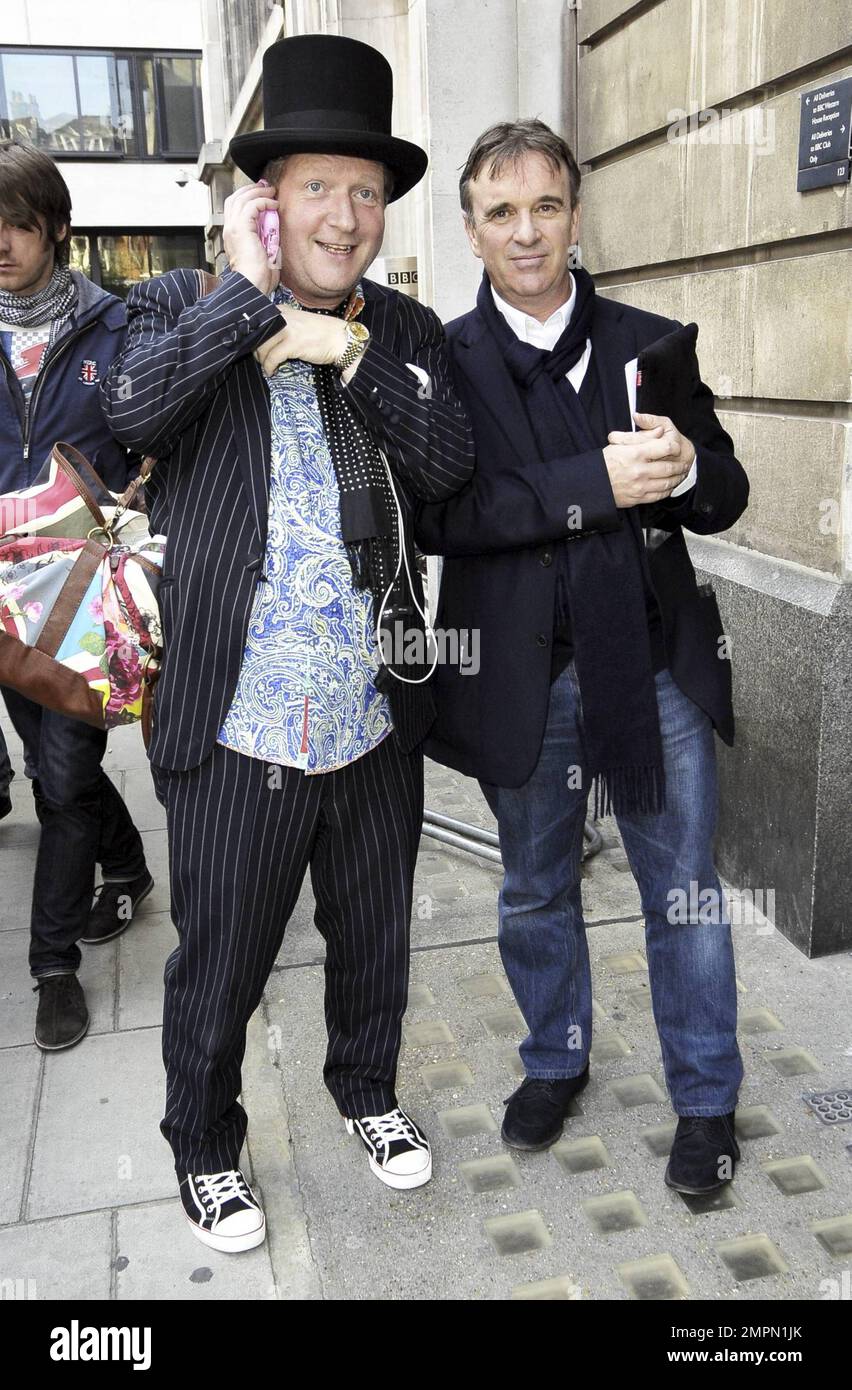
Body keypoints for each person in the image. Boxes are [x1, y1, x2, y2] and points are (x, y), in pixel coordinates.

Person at [103, 35, 473, 1253]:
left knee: (375, 939)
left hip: (371, 714)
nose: (348, 214)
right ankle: (205, 1143)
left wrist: (348, 353)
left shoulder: (406, 328)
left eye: (366, 192)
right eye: (320, 186)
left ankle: (364, 1089)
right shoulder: (180, 303)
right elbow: (125, 417)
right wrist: (252, 307)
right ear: (269, 201)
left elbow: (448, 467)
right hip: (235, 718)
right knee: (220, 965)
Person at [415, 119, 749, 1196]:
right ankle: (555, 1058)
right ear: (470, 229)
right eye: (501, 211)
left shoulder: (653, 343)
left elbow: (728, 496)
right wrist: (595, 486)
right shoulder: (444, 363)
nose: (526, 231)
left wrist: (690, 461)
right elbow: (445, 515)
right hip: (521, 677)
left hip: (649, 667)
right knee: (532, 891)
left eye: (545, 206)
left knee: (684, 893)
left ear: (574, 215)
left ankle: (705, 1100)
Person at [0, 139, 152, 1051]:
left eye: (17, 224)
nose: (2, 243)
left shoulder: (113, 326)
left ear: (55, 228)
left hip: (81, 595)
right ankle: (128, 865)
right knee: (51, 761)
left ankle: (51, 966)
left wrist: (135, 487)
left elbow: (147, 436)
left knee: (60, 778)